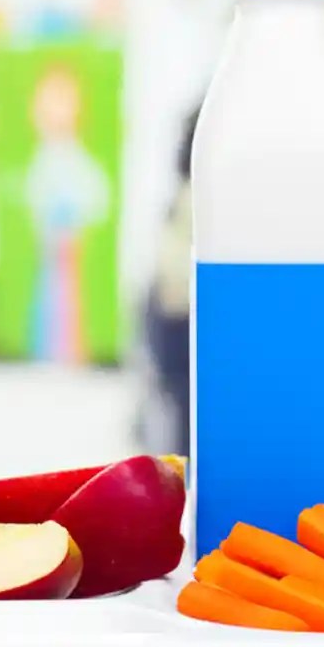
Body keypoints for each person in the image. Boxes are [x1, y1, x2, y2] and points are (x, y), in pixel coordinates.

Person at [24, 65, 110, 363]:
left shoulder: (72, 157)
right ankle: (52, 350)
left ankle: (68, 351)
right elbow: (36, 193)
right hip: (51, 242)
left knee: (67, 298)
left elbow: (95, 194)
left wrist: (74, 221)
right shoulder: (47, 154)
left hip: (67, 238)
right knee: (51, 298)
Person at [141, 109, 198, 458]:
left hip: (172, 314)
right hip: (182, 318)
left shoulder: (183, 194)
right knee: (186, 417)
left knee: (181, 413)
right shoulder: (199, 197)